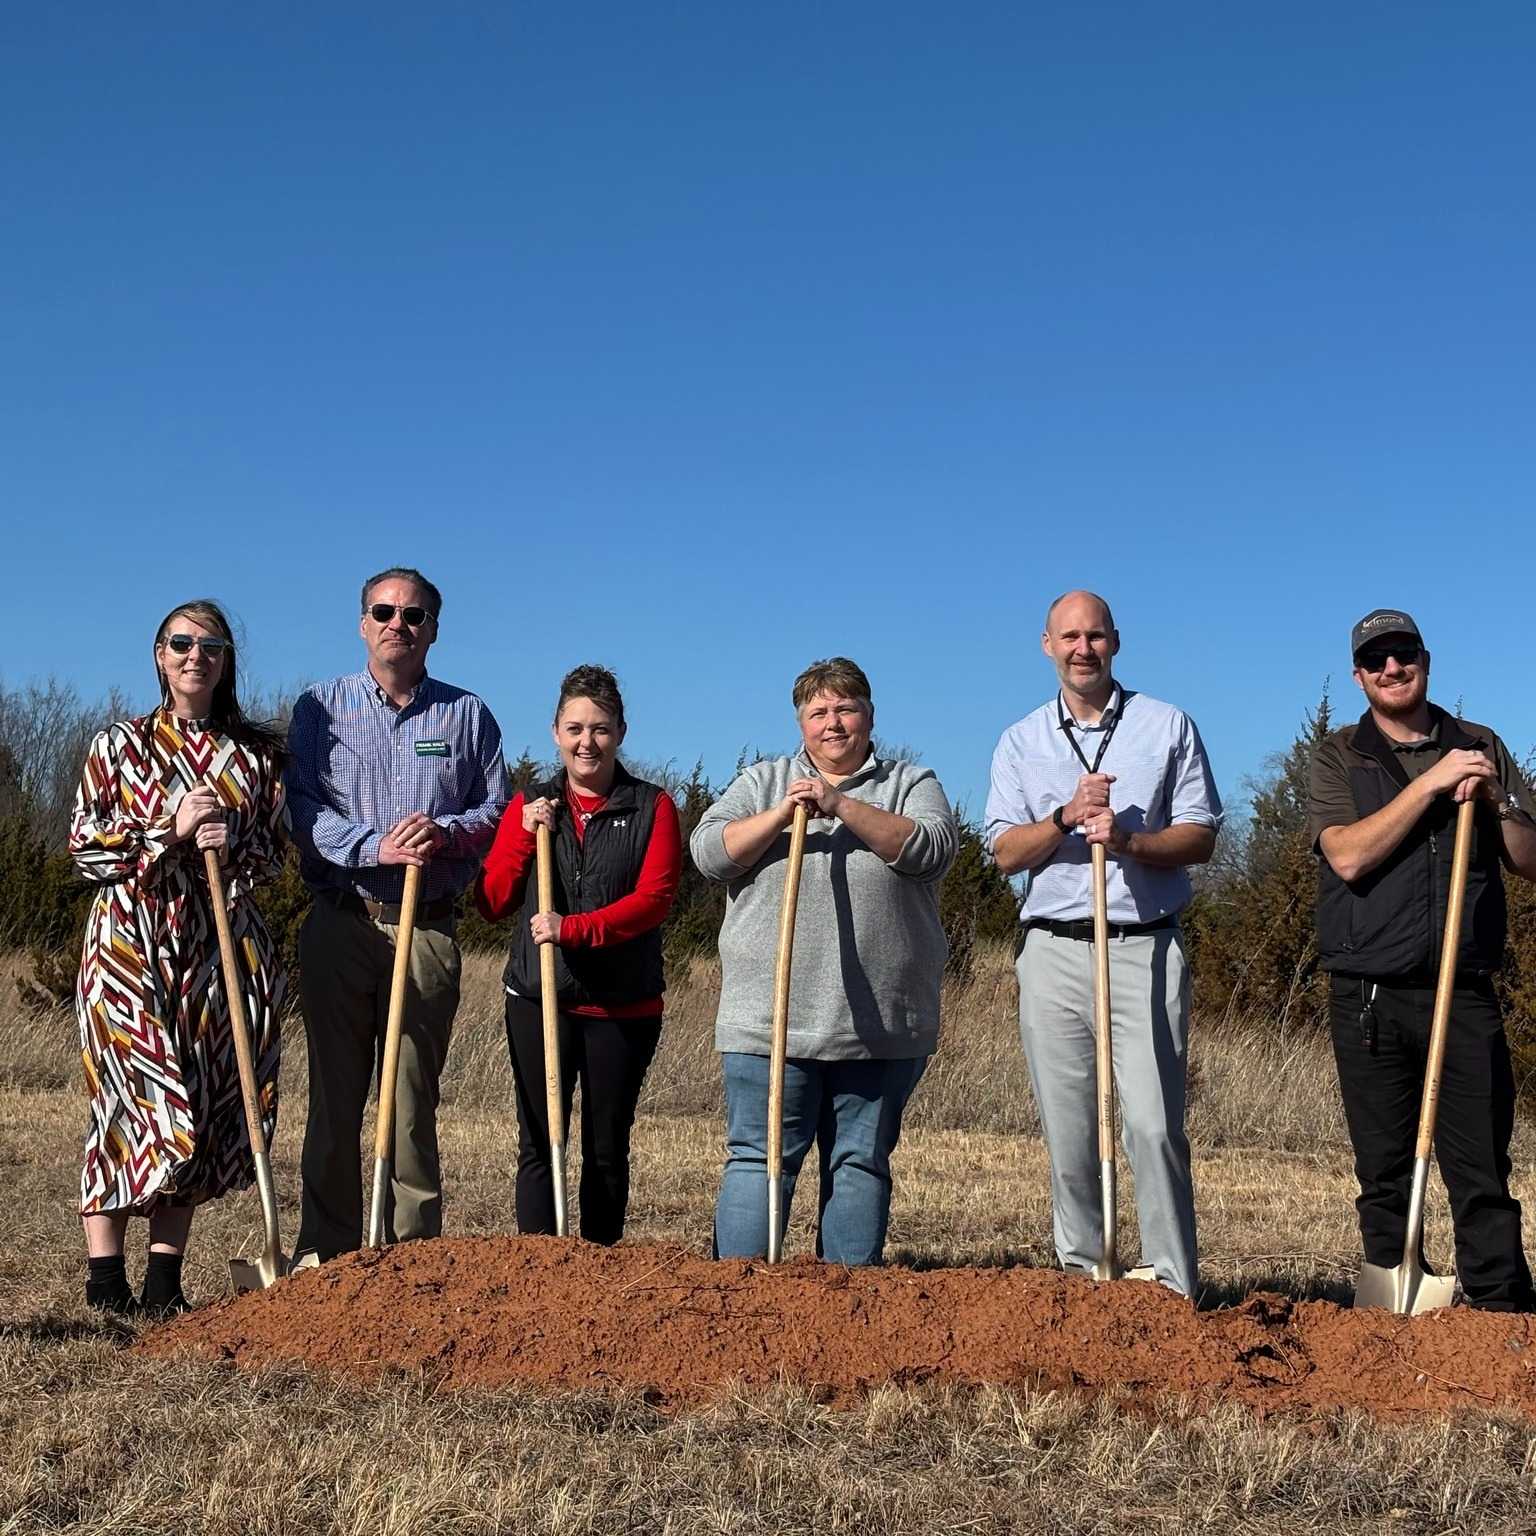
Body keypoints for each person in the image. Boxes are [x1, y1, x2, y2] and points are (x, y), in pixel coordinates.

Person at [984, 590, 1220, 1297]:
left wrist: (1128, 839)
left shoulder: (1165, 725)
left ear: (1115, 642)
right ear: (1047, 646)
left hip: (1142, 945)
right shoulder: (1021, 740)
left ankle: (1174, 1288)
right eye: (1069, 637)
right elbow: (1001, 852)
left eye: (1095, 636)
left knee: (1151, 1126)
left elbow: (1201, 835)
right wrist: (1064, 816)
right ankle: (1085, 1285)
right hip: (1054, 948)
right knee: (1069, 1132)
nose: (1082, 648)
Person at [691, 657, 958, 1265]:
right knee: (760, 1158)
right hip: (769, 1019)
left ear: (869, 716)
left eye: (845, 709)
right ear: (800, 723)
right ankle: (740, 1300)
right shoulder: (765, 779)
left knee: (860, 1161)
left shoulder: (910, 783)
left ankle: (842, 1316)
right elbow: (710, 853)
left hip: (879, 1024)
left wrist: (839, 805)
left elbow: (932, 848)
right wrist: (784, 814)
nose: (833, 723)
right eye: (819, 712)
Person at [1309, 608, 1536, 1311]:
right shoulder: (1340, 753)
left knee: (1480, 1168)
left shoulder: (1481, 744)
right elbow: (1346, 854)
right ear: (1359, 675)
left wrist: (1495, 799)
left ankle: (1503, 1316)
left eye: (1402, 654)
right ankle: (1388, 1316)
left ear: (1425, 659)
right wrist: (1432, 785)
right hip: (1368, 990)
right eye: (1375, 660)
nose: (1391, 668)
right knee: (1383, 1168)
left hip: (1459, 988)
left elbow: (1530, 860)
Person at [70, 600, 288, 1315]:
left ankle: (164, 1281)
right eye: (182, 643)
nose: (197, 655)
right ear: (160, 655)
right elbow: (86, 847)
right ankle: (107, 1284)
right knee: (128, 1103)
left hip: (212, 948)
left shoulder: (252, 757)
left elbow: (271, 858)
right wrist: (168, 829)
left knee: (197, 1100)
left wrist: (234, 844)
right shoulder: (118, 746)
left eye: (212, 645)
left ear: (226, 663)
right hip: (130, 949)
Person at [286, 567, 509, 1262]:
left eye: (414, 616)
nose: (397, 625)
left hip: (427, 925)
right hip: (342, 919)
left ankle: (409, 1259)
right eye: (384, 611)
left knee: (410, 1102)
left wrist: (444, 833)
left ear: (433, 630)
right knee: (334, 1098)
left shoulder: (466, 715)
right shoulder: (319, 708)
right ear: (362, 623)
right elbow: (301, 809)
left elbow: (495, 812)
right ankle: (327, 1252)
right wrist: (370, 845)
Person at [475, 665, 681, 1242]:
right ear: (555, 732)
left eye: (600, 729)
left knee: (606, 1147)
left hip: (622, 1006)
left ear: (620, 732)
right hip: (539, 999)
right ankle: (542, 1275)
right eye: (574, 729)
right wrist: (520, 834)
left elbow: (654, 900)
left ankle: (599, 1277)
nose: (586, 742)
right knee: (540, 1142)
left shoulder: (651, 807)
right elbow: (491, 902)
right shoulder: (534, 804)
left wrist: (575, 930)